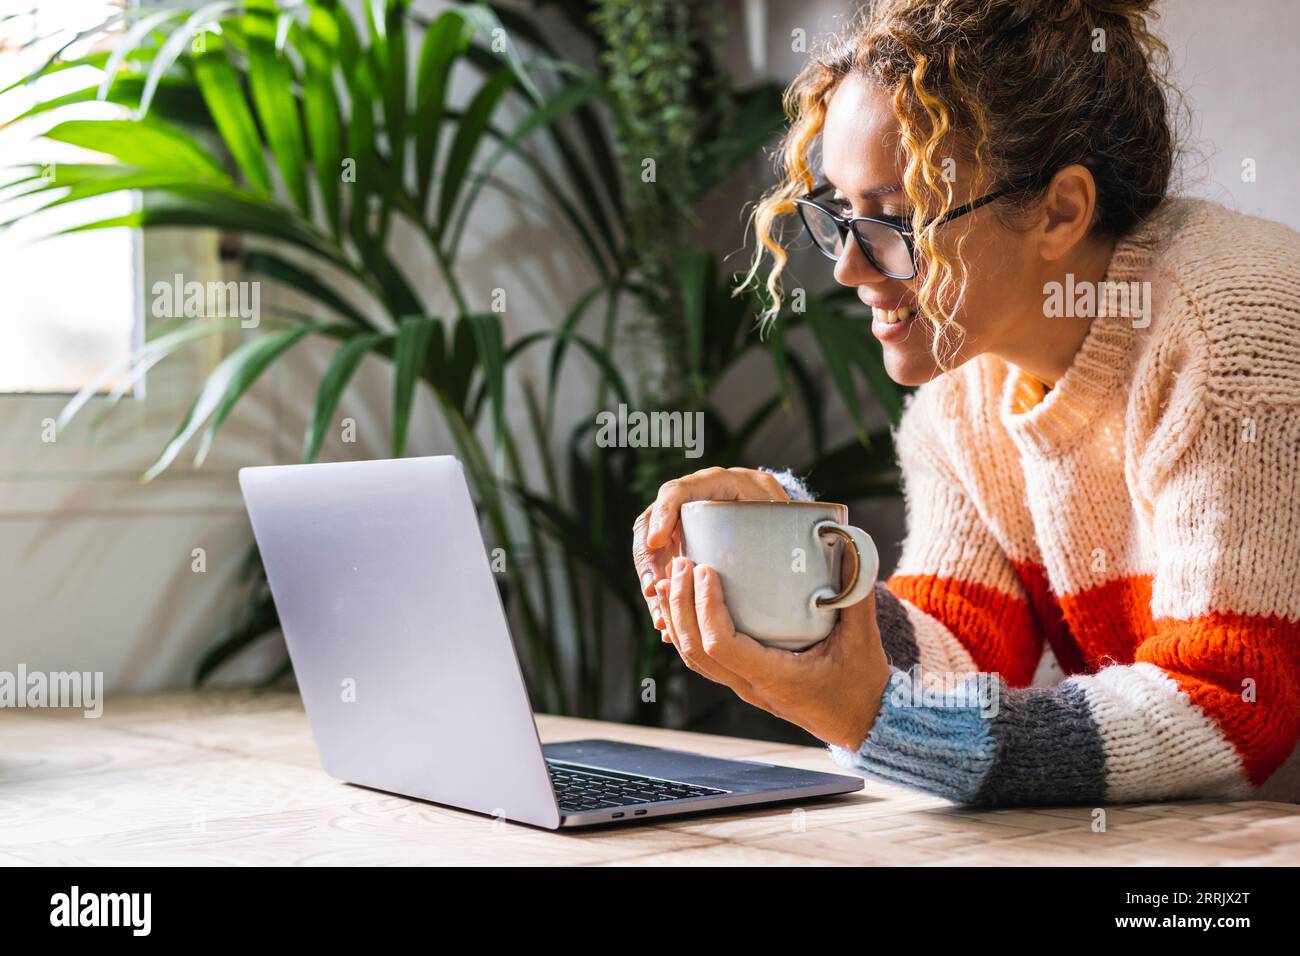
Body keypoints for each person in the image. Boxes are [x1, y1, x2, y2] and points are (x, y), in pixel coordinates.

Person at [632, 0, 1300, 806]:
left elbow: (1230, 706)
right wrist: (788, 556)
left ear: (1061, 210)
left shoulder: (1234, 338)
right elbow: (964, 646)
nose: (847, 268)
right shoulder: (963, 392)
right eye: (841, 213)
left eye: (898, 218)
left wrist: (873, 718)